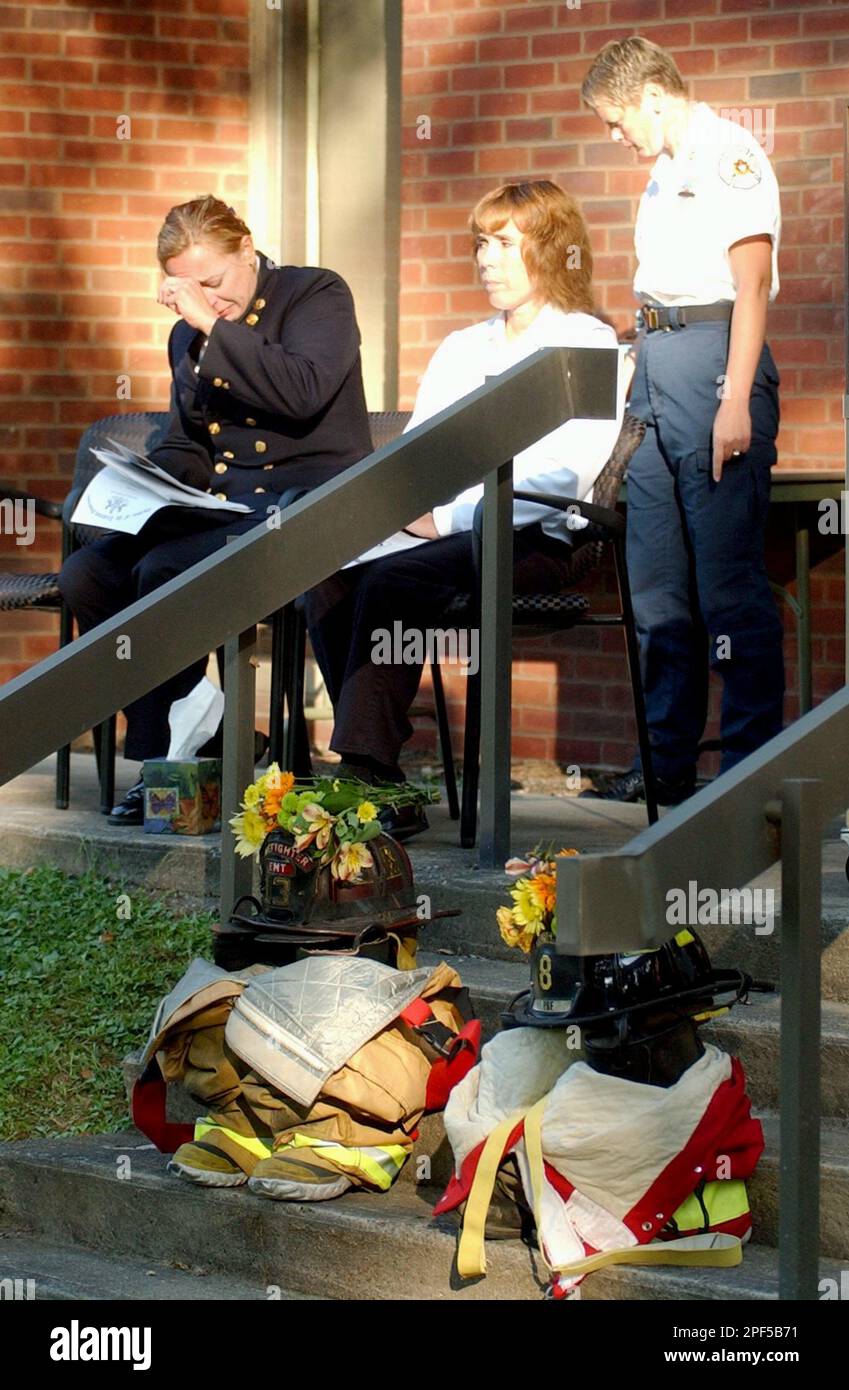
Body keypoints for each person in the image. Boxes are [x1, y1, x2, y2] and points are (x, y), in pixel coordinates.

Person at [302, 181, 622, 835]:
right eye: (481, 244)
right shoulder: (460, 347)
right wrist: (401, 509)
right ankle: (383, 781)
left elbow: (565, 472)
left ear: (554, 249)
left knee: (394, 580)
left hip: (537, 540)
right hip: (437, 535)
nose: (486, 259)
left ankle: (362, 773)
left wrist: (444, 518)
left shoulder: (587, 343)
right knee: (325, 568)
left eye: (505, 243)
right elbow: (418, 458)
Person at [59, 195, 372, 824]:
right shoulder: (189, 335)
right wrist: (149, 482)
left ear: (247, 253)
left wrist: (211, 324)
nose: (204, 297)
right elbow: (192, 442)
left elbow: (304, 390)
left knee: (164, 570)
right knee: (89, 573)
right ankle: (207, 740)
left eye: (214, 281)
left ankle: (169, 766)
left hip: (307, 506)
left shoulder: (315, 295)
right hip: (224, 510)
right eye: (187, 287)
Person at [579, 37, 783, 806]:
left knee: (727, 586)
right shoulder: (661, 176)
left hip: (712, 361)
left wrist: (733, 399)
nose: (614, 135)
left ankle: (745, 768)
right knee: (657, 587)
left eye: (614, 119)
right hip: (658, 365)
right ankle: (663, 763)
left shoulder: (728, 152)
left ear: (652, 96)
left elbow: (752, 282)